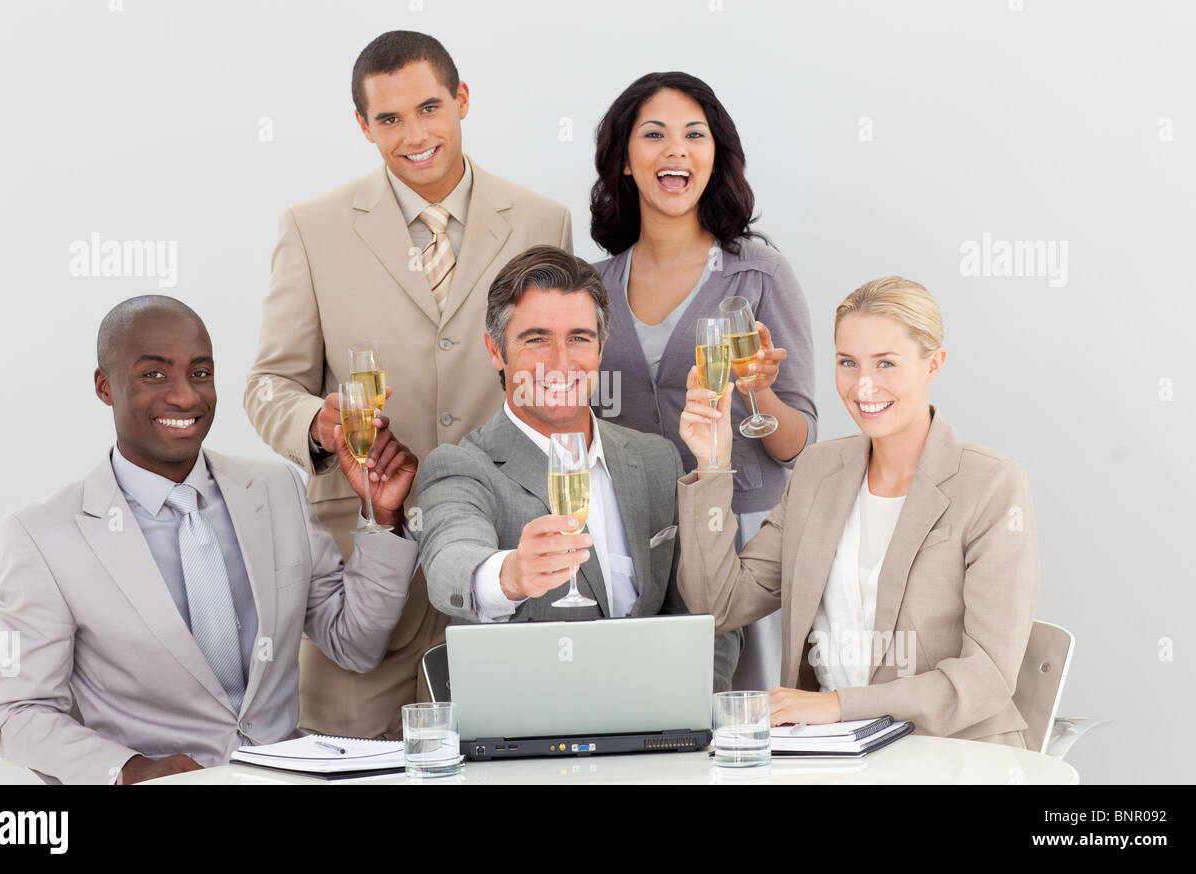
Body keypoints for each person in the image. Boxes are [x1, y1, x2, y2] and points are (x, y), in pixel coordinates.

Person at [242, 31, 573, 738]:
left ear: (461, 99)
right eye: (389, 119)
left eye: (429, 107)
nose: (414, 134)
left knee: (512, 751)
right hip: (364, 560)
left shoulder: (544, 222)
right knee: (353, 759)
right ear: (363, 125)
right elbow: (269, 383)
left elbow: (562, 377)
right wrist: (317, 423)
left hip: (503, 550)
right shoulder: (312, 228)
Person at [0, 296, 420, 784]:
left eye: (200, 373)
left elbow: (354, 643)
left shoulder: (277, 490)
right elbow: (18, 713)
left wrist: (382, 517)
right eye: (154, 374)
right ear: (105, 387)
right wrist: (128, 769)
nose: (187, 397)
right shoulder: (45, 535)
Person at [676, 277, 1040, 745]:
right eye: (848, 362)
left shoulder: (991, 485)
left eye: (886, 363)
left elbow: (986, 676)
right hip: (832, 755)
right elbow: (719, 603)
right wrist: (711, 464)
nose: (863, 385)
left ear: (934, 364)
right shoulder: (817, 471)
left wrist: (836, 706)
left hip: (951, 753)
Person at [416, 245, 740, 690]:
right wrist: (511, 574)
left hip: (656, 730)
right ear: (496, 351)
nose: (561, 362)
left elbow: (711, 612)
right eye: (536, 339)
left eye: (579, 338)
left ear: (601, 349)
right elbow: (450, 563)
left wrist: (696, 712)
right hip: (533, 738)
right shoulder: (462, 467)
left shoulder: (656, 459)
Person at [590, 71, 816, 691]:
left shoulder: (760, 274)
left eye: (695, 134)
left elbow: (798, 444)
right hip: (630, 534)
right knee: (642, 713)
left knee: (743, 721)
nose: (676, 150)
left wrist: (759, 391)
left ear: (714, 156)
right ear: (626, 161)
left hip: (739, 533)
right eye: (654, 134)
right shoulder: (592, 289)